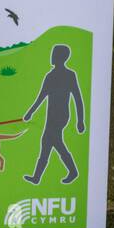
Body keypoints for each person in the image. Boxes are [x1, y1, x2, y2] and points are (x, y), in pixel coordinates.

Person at [22, 43, 85, 185]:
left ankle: (71, 171)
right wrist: (30, 113)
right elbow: (41, 96)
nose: (52, 56)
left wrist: (80, 121)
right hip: (51, 116)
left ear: (60, 57)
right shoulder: (50, 76)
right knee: (49, 143)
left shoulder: (70, 75)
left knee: (51, 142)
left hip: (61, 116)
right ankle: (38, 177)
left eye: (54, 54)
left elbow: (77, 98)